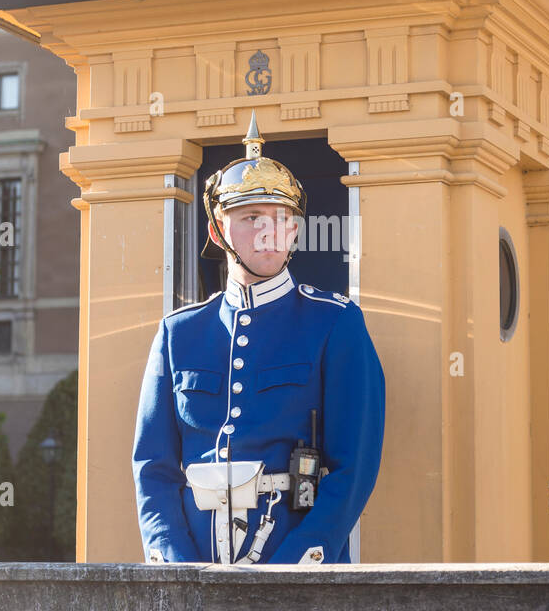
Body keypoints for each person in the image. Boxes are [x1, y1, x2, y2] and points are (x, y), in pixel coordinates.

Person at [132, 112, 385, 564]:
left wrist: (295, 566)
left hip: (295, 566)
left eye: (282, 218)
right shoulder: (178, 333)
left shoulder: (335, 322)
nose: (269, 231)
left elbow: (354, 467)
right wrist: (175, 564)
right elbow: (154, 468)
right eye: (251, 217)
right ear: (217, 231)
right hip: (195, 571)